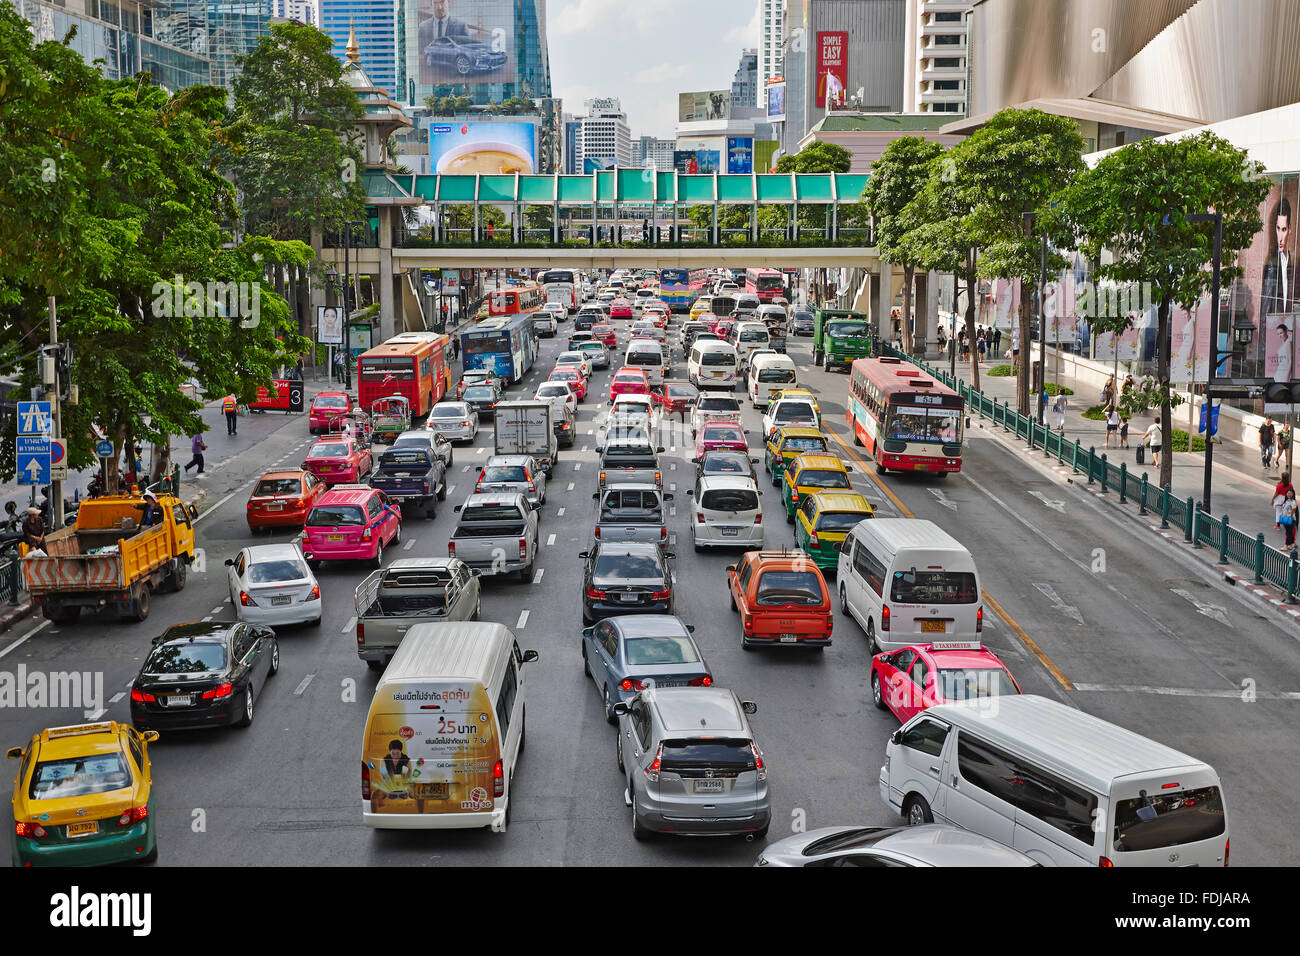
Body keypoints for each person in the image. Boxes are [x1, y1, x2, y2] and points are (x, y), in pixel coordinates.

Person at [1260, 196, 1294, 317]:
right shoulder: (1272, 264)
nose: (1280, 237)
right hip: (1274, 328)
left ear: (1289, 229)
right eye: (1278, 228)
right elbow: (1265, 310)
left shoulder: (1289, 260)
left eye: (1284, 229)